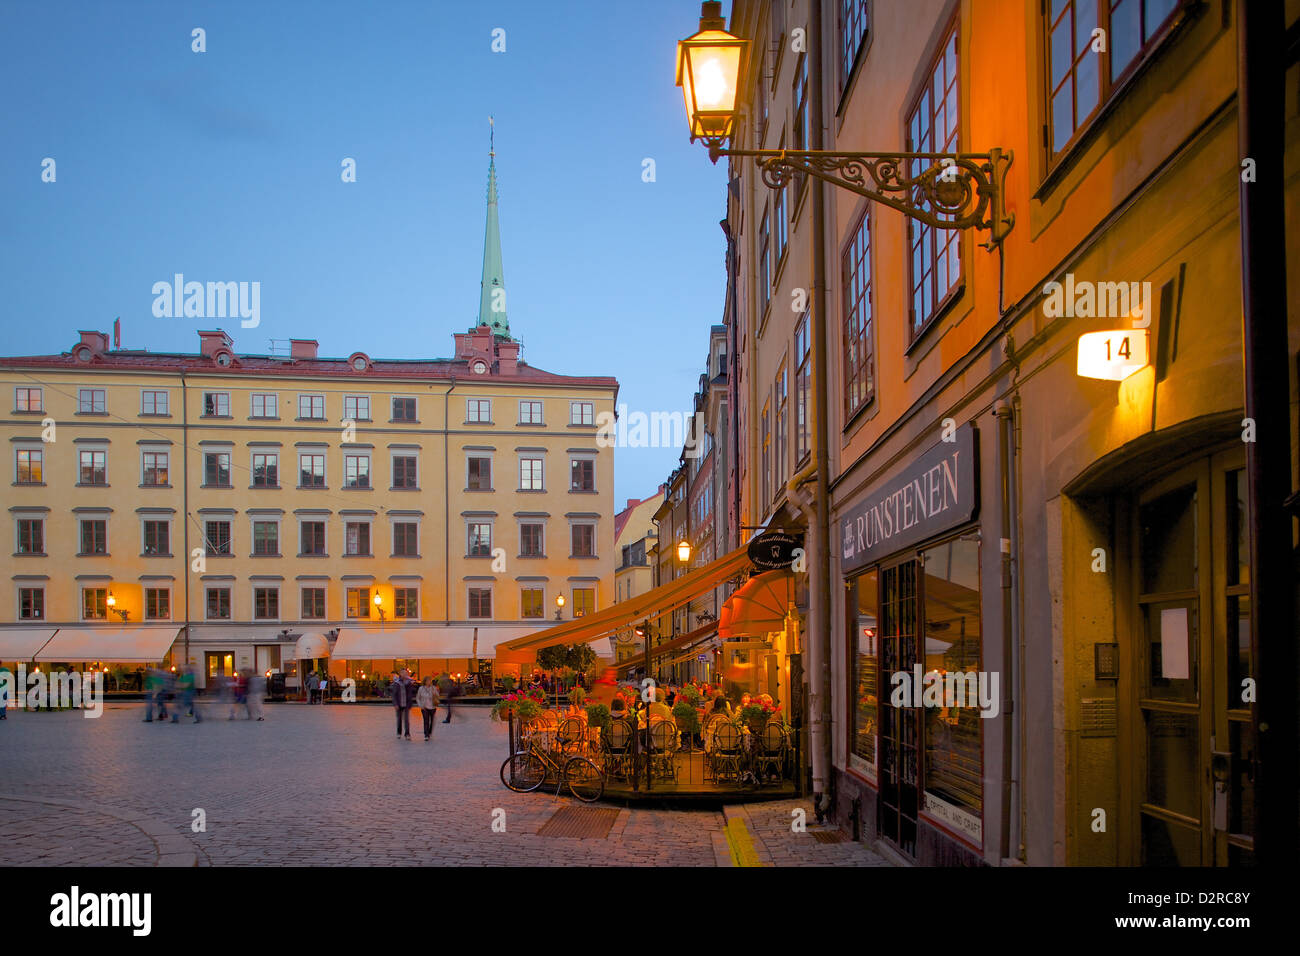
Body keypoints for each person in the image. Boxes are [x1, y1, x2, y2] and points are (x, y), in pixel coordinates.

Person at [391, 668, 414, 739]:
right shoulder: (397, 683)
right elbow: (394, 694)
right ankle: (399, 732)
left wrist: (410, 703)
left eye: (406, 673)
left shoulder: (409, 682)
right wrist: (395, 704)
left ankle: (407, 734)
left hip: (406, 703)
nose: (405, 674)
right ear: (400, 674)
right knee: (399, 719)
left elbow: (410, 694)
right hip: (399, 703)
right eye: (404, 673)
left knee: (406, 719)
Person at [416, 675, 440, 741]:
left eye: (430, 681)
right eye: (428, 681)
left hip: (432, 707)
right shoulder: (421, 688)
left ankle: (429, 732)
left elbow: (437, 695)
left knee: (432, 721)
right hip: (424, 707)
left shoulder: (433, 688)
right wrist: (420, 705)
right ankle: (426, 735)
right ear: (425, 681)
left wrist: (436, 692)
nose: (429, 682)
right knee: (426, 721)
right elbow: (418, 697)